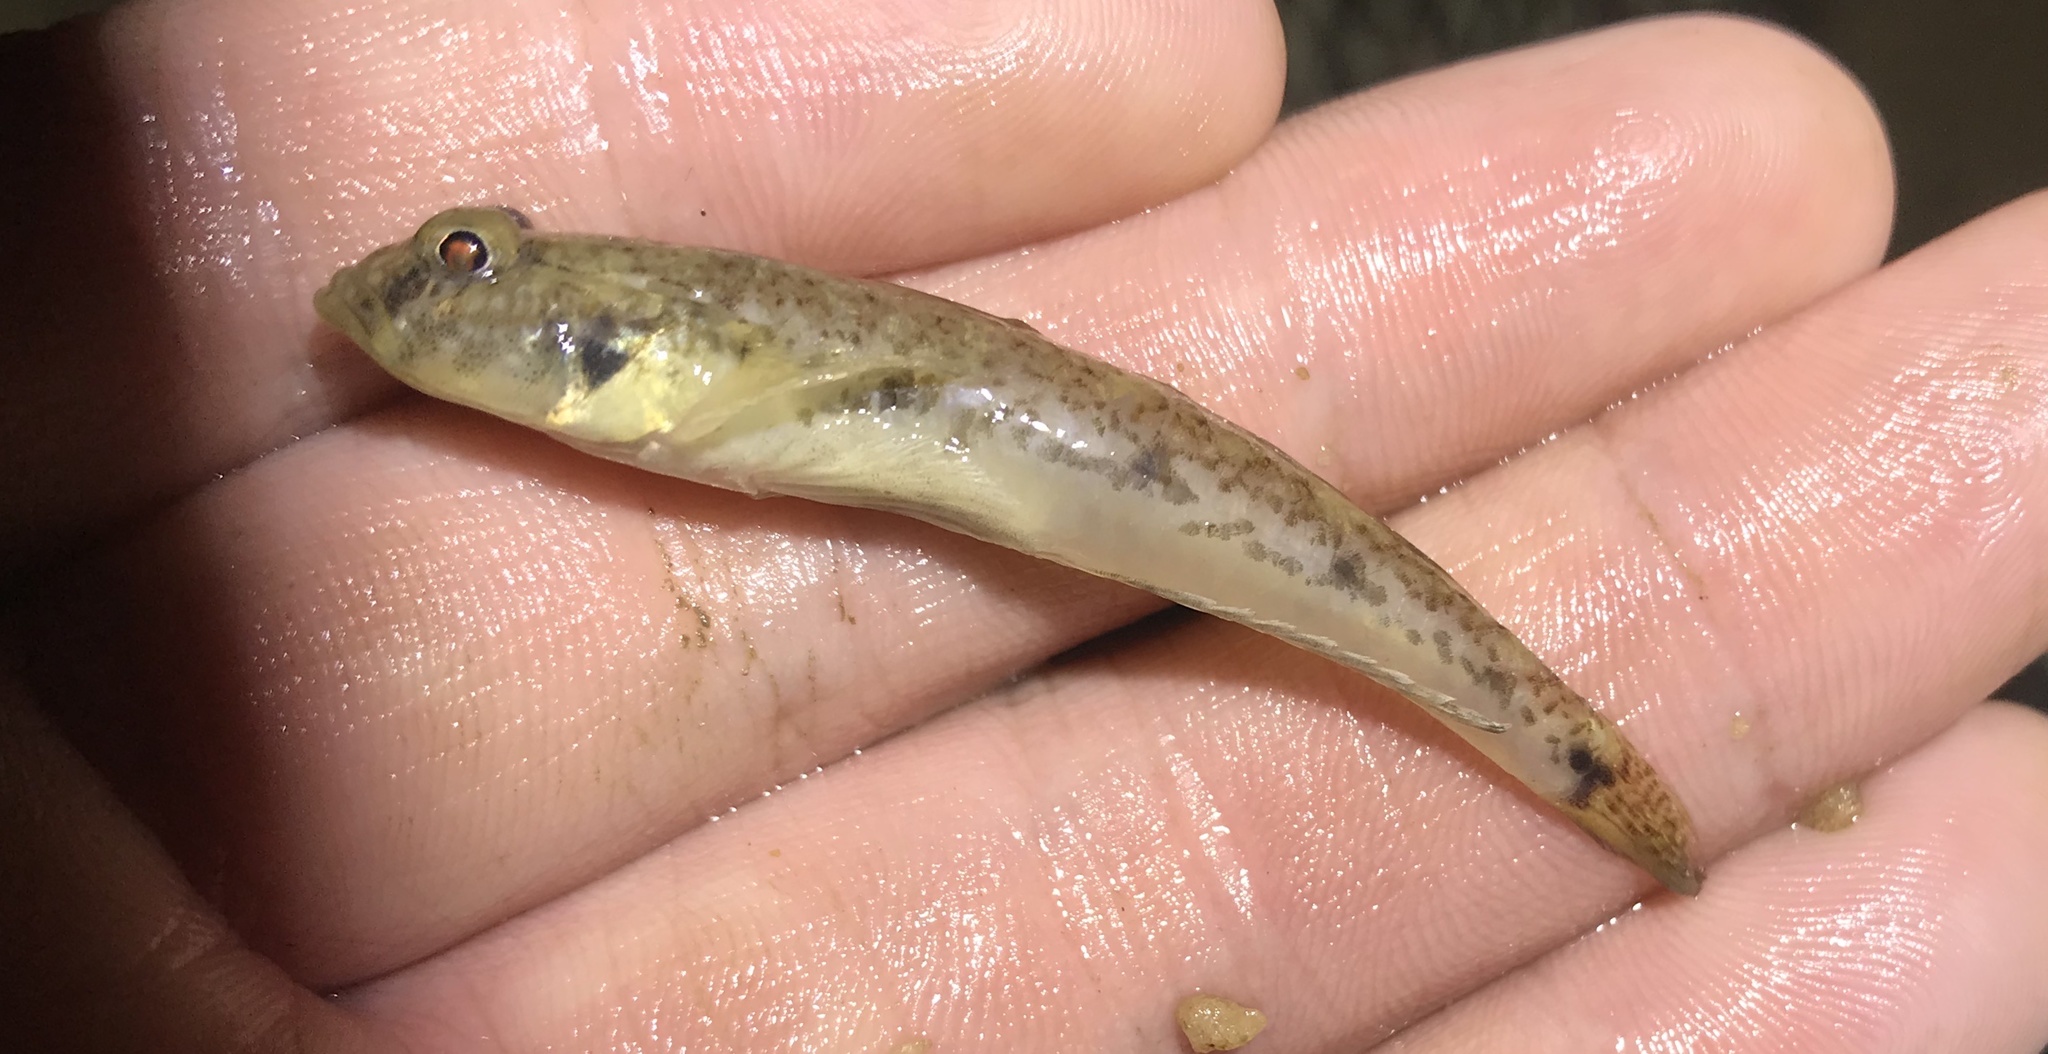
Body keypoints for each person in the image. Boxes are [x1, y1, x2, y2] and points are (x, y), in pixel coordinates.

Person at [4, 4, 2046, 1051]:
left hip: (1045, 433)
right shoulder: (593, 345)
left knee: (1321, 575)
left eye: (466, 255)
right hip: (999, 425)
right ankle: (1592, 765)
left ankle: (1589, 761)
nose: (426, 285)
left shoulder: (637, 321)